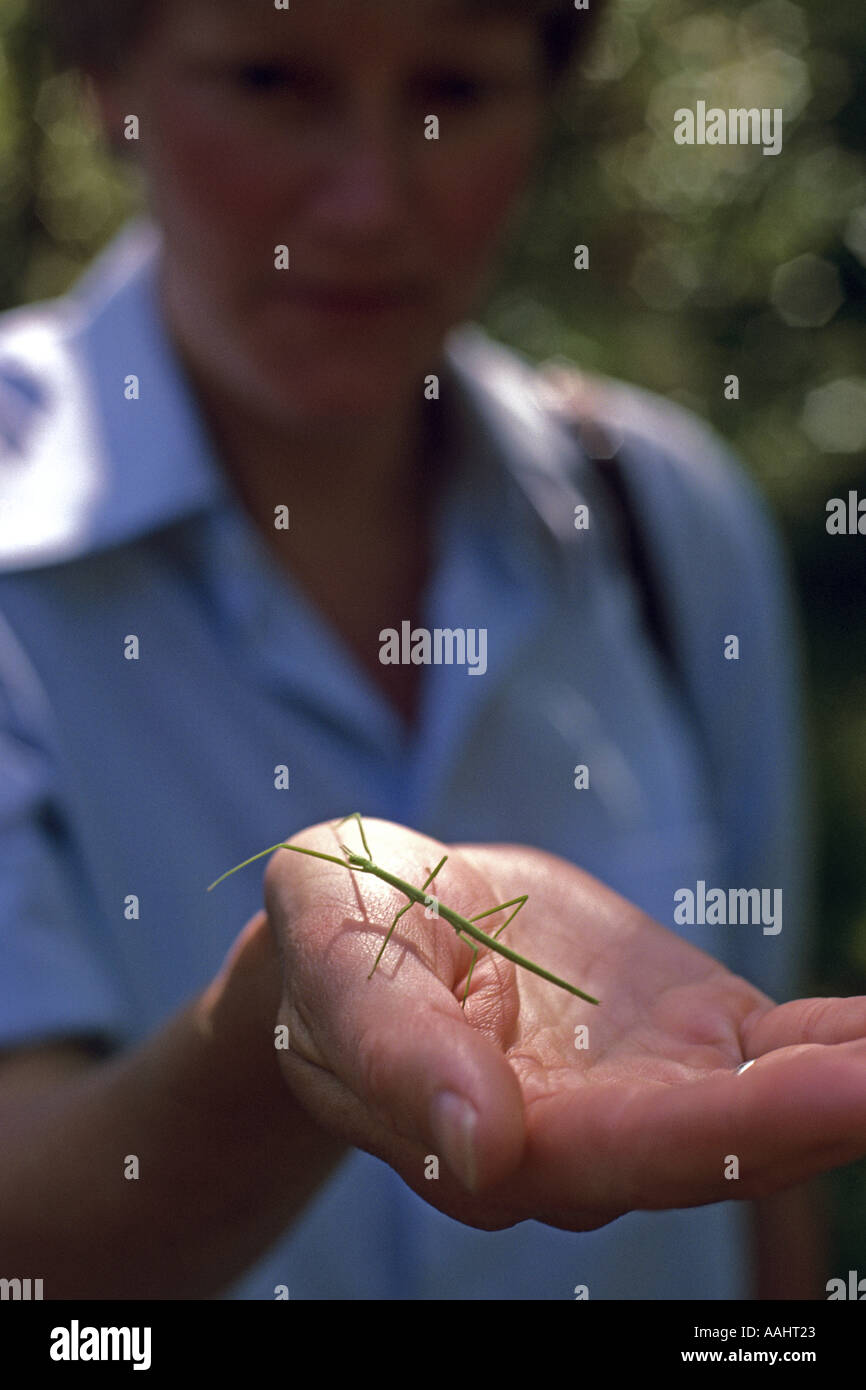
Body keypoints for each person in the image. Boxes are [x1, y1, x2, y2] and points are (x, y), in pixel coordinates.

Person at [0, 0, 853, 1301]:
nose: (364, 201)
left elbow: (764, 1148)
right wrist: (279, 1011)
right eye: (271, 79)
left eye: (453, 89)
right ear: (108, 80)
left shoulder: (664, 522)